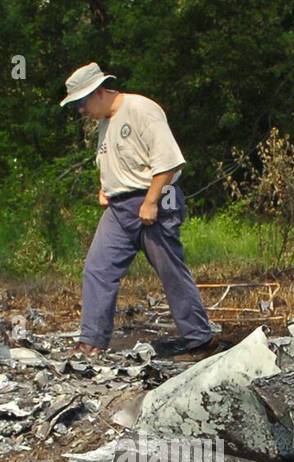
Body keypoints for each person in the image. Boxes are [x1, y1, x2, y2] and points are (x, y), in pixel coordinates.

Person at [59, 62, 215, 358]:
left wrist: (151, 201)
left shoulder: (141, 109)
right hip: (119, 208)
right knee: (97, 269)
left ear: (100, 91)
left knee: (169, 268)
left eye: (81, 102)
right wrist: (106, 186)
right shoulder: (106, 123)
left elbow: (168, 161)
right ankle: (91, 341)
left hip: (156, 198)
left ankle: (199, 336)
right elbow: (118, 161)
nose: (80, 110)